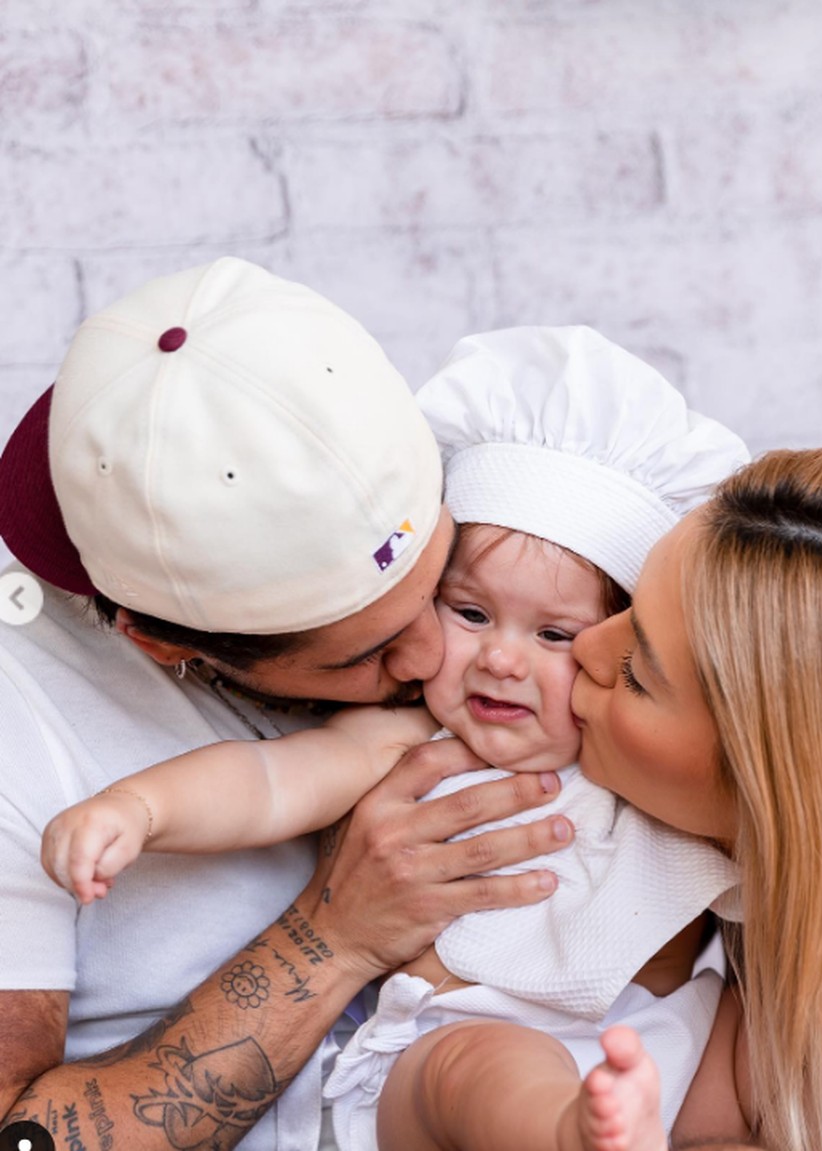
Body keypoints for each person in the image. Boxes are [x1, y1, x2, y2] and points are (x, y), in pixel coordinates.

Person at [39, 326, 750, 1151]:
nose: (502, 659)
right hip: (471, 1040)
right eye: (471, 613)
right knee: (476, 1069)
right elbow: (269, 781)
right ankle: (569, 1134)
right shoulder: (405, 739)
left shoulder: (637, 739)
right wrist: (141, 808)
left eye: (556, 635)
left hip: (668, 1032)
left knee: (753, 1064)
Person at [0, 259, 576, 1151]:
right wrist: (335, 934)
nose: (435, 660)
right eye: (367, 653)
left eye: (445, 592)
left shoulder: (324, 427)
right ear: (168, 646)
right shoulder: (20, 725)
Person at [555, 446, 822, 1151]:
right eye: (626, 607)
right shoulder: (767, 998)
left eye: (635, 673)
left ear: (779, 791)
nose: (584, 647)